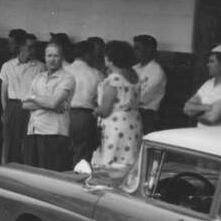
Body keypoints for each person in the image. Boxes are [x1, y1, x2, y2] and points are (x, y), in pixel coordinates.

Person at [21, 41, 75, 171]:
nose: (52, 59)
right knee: (31, 174)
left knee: (48, 175)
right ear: (44, 57)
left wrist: (34, 98)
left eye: (56, 56)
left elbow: (53, 103)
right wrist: (48, 104)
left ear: (61, 58)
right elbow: (25, 104)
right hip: (34, 129)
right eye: (49, 55)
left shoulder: (67, 78)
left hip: (53, 132)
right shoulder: (38, 77)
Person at [94, 40, 144, 174]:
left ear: (110, 59)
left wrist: (95, 111)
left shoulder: (114, 79)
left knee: (112, 161)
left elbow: (105, 110)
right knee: (127, 160)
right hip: (133, 123)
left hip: (116, 126)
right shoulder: (134, 76)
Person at [0, 30, 42, 164]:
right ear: (21, 47)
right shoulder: (8, 65)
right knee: (10, 143)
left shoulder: (40, 67)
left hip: (30, 107)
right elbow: (3, 91)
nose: (32, 50)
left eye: (34, 47)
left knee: (28, 144)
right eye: (29, 47)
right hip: (13, 105)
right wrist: (5, 111)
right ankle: (7, 174)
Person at [63, 36, 102, 168]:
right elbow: (100, 100)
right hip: (84, 117)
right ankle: (76, 183)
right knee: (82, 155)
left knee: (62, 152)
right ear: (87, 54)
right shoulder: (96, 74)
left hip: (62, 114)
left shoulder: (63, 71)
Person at [184, 45, 221, 127]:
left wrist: (196, 109)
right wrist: (206, 107)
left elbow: (211, 118)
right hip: (203, 135)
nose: (207, 65)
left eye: (211, 61)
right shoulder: (208, 83)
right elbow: (187, 108)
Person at [133, 34, 167, 134]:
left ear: (148, 50)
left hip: (146, 115)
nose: (134, 52)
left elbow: (142, 98)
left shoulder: (157, 72)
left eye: (137, 48)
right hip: (133, 111)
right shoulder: (135, 68)